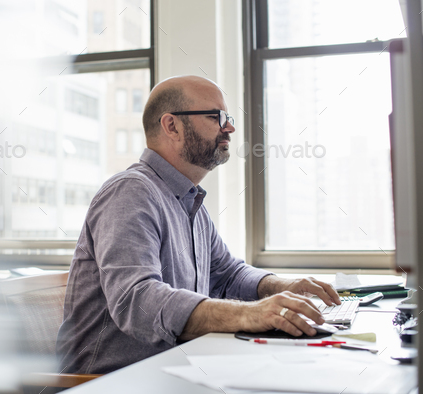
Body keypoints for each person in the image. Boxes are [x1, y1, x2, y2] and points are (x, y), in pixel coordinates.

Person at [55, 75, 341, 374]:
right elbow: (136, 302)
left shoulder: (189, 202)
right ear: (172, 126)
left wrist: (280, 287)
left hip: (170, 371)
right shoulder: (130, 192)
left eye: (227, 118)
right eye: (216, 117)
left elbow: (227, 275)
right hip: (107, 383)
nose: (229, 127)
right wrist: (248, 315)